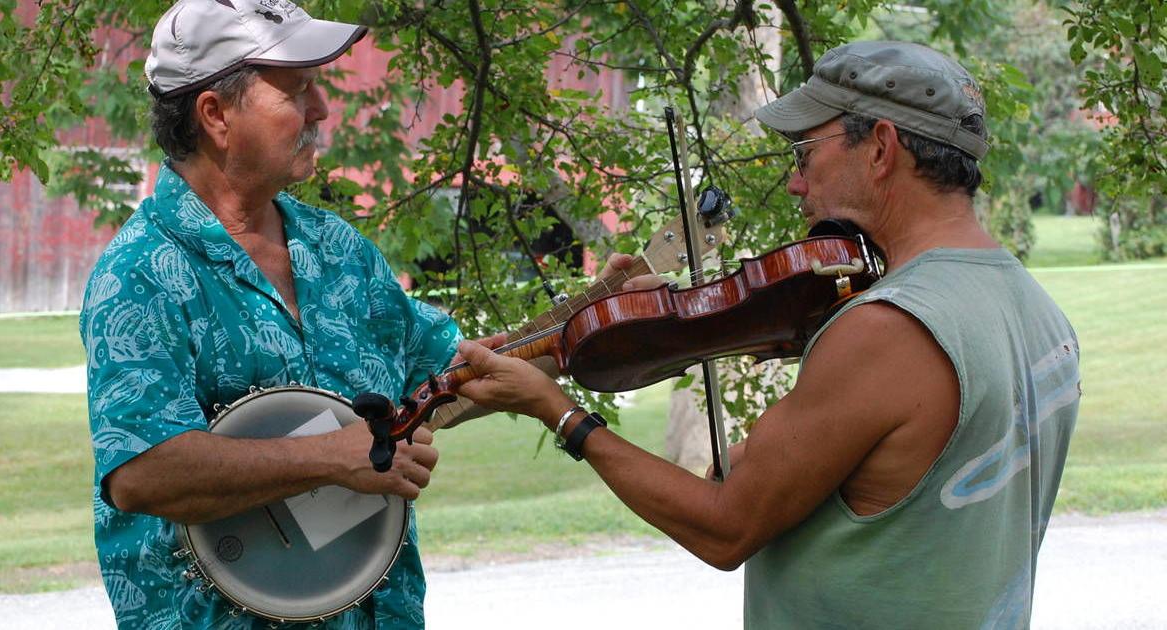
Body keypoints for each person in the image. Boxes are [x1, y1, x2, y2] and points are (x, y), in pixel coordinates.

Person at [455, 41, 1081, 628]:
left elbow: (725, 530)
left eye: (805, 152)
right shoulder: (1040, 311)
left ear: (882, 148)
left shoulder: (888, 329)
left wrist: (557, 411)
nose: (794, 181)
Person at [80, 1, 459, 627]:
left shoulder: (338, 250)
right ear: (216, 114)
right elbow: (144, 473)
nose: (321, 109)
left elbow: (450, 372)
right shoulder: (140, 273)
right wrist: (332, 457)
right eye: (297, 90)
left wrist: (591, 323)